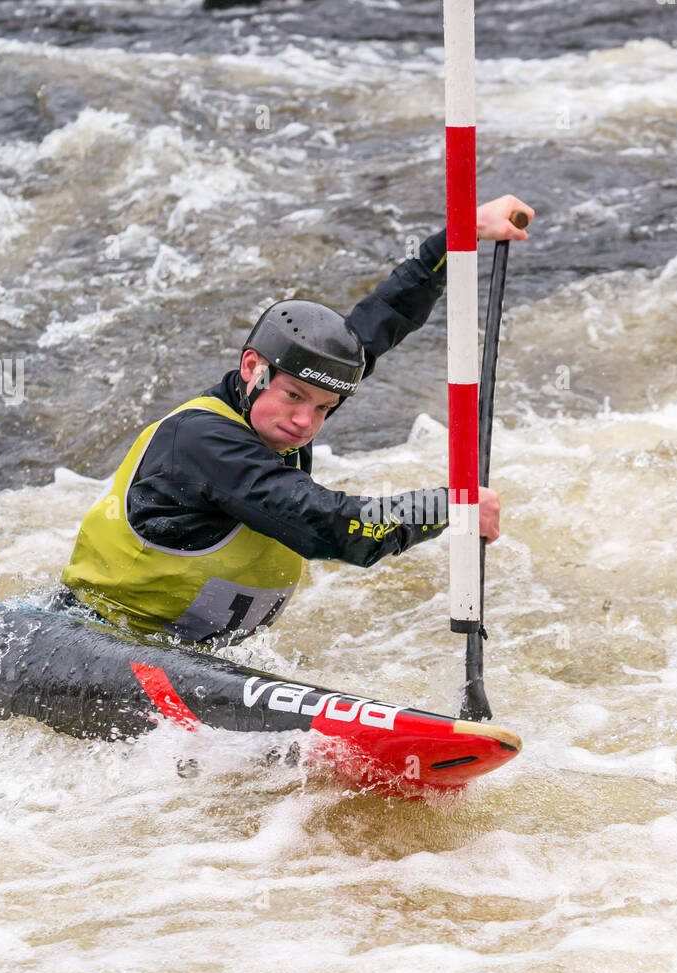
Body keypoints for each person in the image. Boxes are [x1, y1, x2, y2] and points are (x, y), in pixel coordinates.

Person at [56, 195, 534, 646]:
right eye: (295, 397)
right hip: (93, 636)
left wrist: (463, 232)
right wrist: (447, 507)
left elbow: (384, 316)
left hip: (188, 654)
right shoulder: (203, 442)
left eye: (326, 407)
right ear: (252, 369)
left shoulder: (285, 405)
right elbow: (328, 526)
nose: (306, 423)